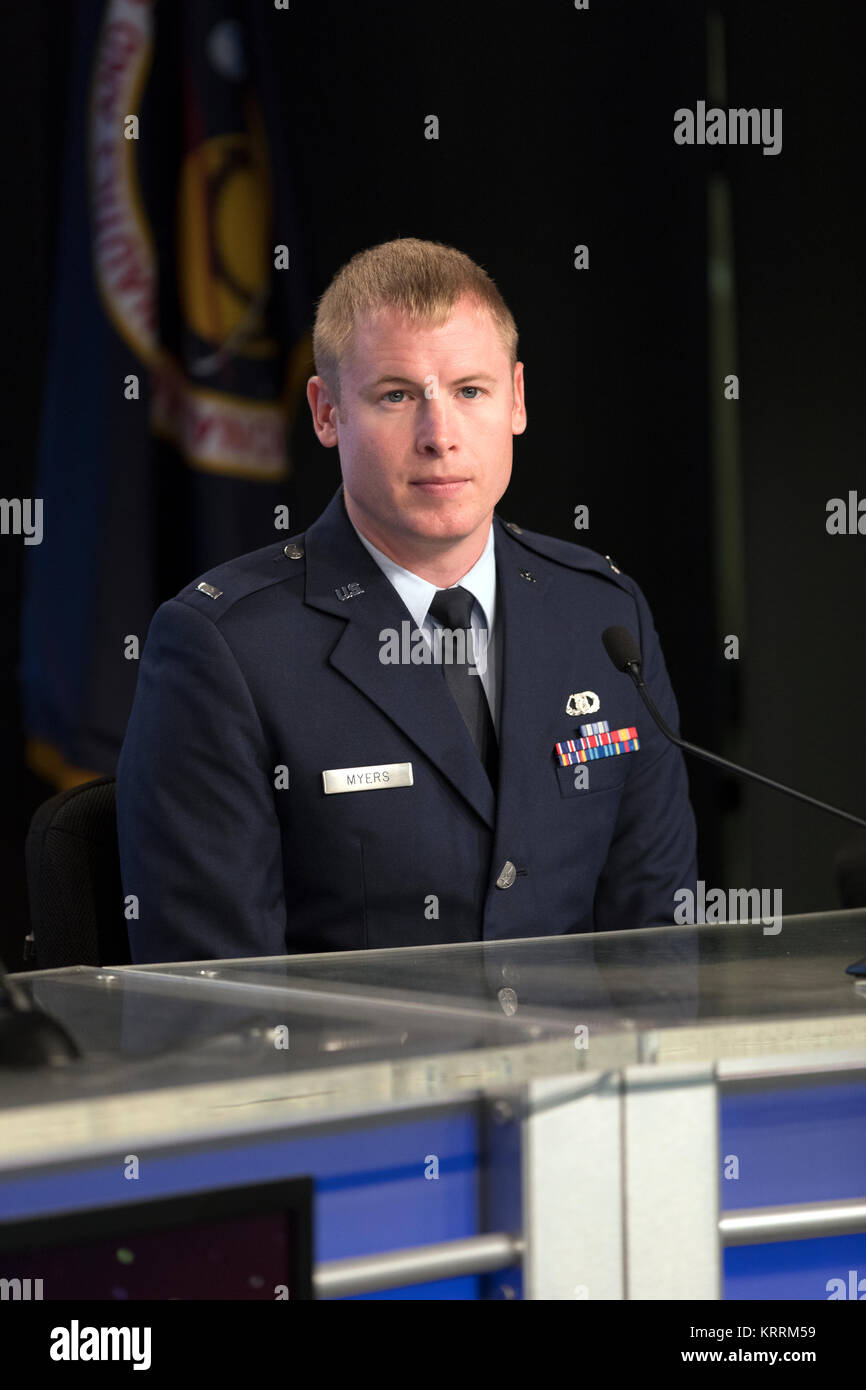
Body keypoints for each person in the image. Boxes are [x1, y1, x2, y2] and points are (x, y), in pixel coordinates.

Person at [117, 237, 697, 963]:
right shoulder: (226, 648)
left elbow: (660, 953)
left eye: (469, 391)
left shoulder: (603, 618)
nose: (440, 436)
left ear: (516, 400)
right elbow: (213, 1006)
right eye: (396, 395)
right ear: (327, 414)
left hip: (575, 1072)